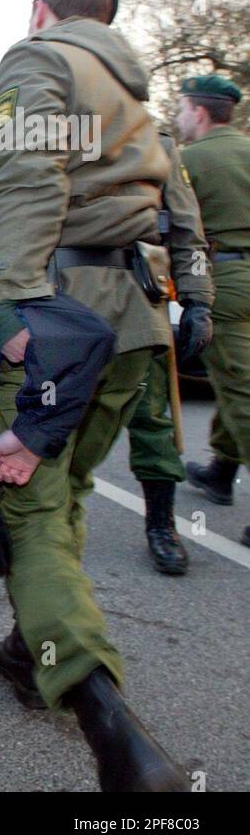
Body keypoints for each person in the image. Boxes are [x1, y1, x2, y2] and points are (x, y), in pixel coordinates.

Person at [0, 0, 197, 791]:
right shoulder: (135, 95)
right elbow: (179, 210)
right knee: (62, 493)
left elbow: (25, 181)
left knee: (30, 510)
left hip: (57, 311)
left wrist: (11, 306)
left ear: (43, 10)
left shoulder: (39, 59)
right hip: (130, 317)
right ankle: (35, 648)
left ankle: (108, 721)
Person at [122, 131, 214, 575]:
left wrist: (197, 299)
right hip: (65, 299)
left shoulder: (154, 142)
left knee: (152, 419)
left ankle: (161, 525)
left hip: (139, 296)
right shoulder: (48, 132)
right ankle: (42, 539)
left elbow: (187, 230)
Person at [176, 75, 250, 516]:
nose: (182, 117)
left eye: (184, 108)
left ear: (199, 112)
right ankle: (222, 470)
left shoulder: (190, 160)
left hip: (225, 279)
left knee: (240, 388)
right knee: (237, 376)